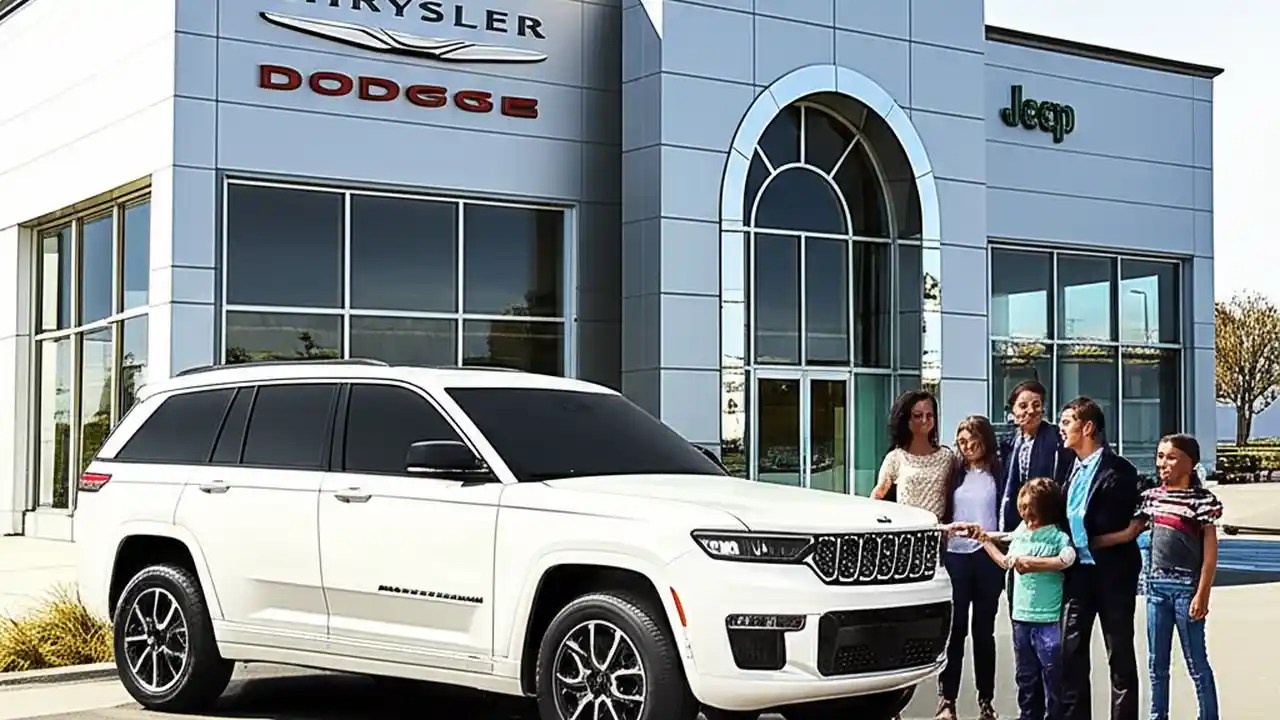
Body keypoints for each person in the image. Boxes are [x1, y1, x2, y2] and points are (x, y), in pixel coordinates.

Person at [1090, 434, 1222, 720]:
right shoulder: (1150, 498)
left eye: (1172, 457)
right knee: (1156, 665)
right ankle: (1157, 715)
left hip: (1187, 591)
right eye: (1160, 456)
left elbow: (1210, 556)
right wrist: (1092, 543)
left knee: (1197, 663)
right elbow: (1130, 533)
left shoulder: (1203, 502)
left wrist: (1203, 594)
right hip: (1155, 592)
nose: (1163, 463)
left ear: (1191, 463)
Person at [1057, 397, 1142, 720]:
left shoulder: (1119, 471)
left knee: (1119, 656)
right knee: (1071, 652)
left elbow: (1110, 523)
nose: (1062, 429)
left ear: (1087, 427)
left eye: (1067, 422)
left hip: (1113, 574)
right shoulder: (1070, 467)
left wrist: (1118, 536)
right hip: (1077, 573)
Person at [972, 478, 1076, 720]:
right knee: (1026, 677)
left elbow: (1068, 558)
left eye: (1031, 511)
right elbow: (1006, 561)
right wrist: (984, 540)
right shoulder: (1020, 532)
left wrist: (1035, 565)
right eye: (1023, 510)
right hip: (1021, 618)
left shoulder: (1056, 536)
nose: (1026, 517)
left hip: (1049, 620)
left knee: (1053, 678)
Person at [935, 415, 1006, 720]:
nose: (967, 446)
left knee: (983, 631)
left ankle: (985, 702)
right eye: (962, 441)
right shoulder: (954, 471)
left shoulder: (1000, 471)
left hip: (987, 554)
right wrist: (947, 528)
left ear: (985, 438)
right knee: (955, 629)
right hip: (956, 555)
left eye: (972, 439)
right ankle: (946, 701)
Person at [998, 380, 1071, 532]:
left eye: (1036, 405)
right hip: (1017, 520)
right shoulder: (1009, 442)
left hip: (1049, 521)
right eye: (1023, 406)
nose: (1031, 411)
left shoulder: (1058, 439)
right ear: (1013, 412)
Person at [873, 389, 953, 520]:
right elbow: (879, 494)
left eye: (929, 415)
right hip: (907, 529)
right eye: (917, 415)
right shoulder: (895, 458)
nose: (924, 420)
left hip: (937, 530)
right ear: (906, 420)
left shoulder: (947, 458)